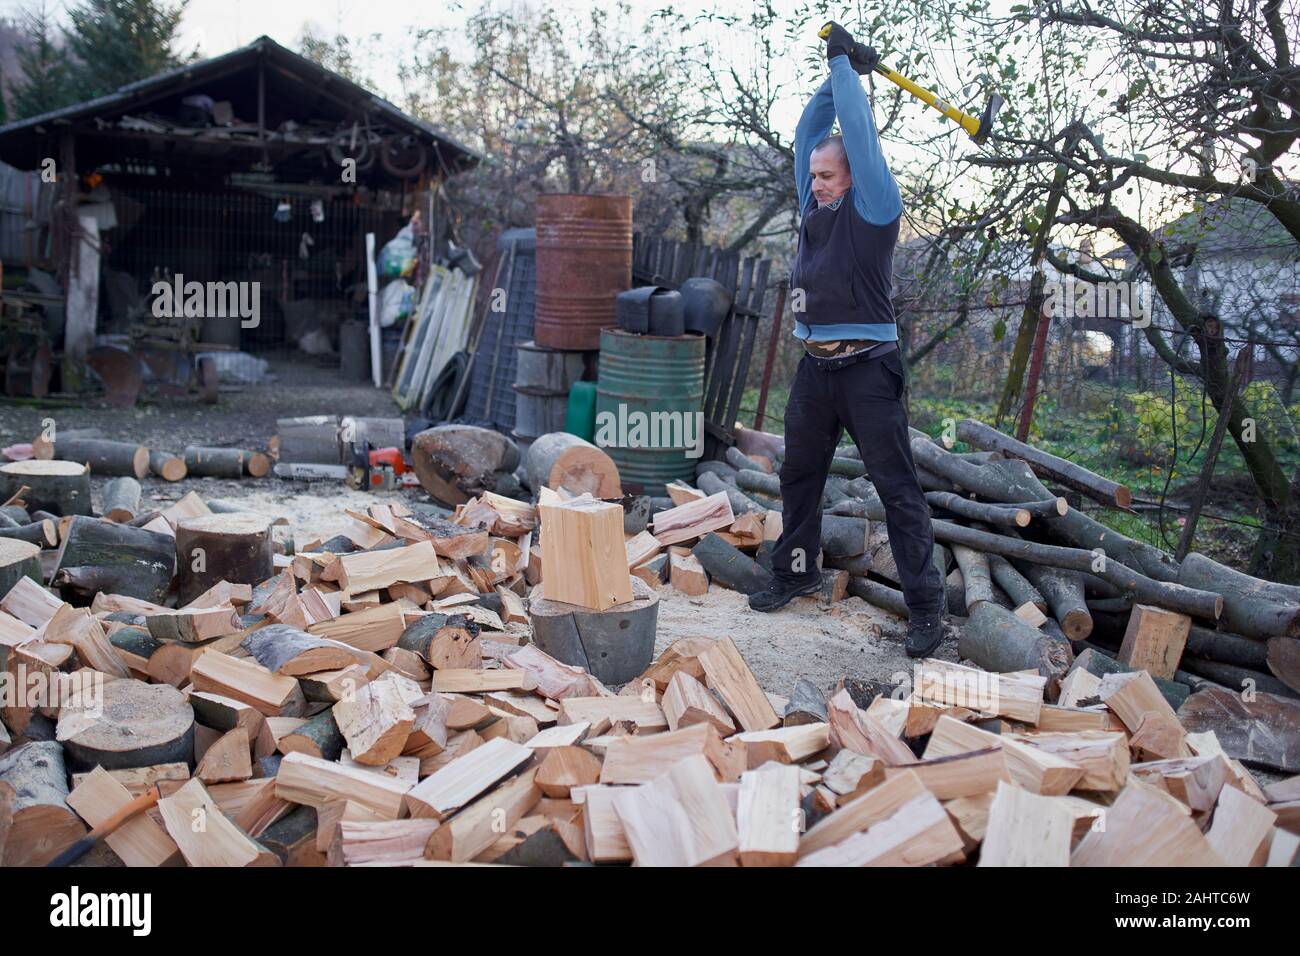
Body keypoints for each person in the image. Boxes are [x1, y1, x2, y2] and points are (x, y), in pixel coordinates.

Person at [747, 22, 946, 657]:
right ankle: (796, 571)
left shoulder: (874, 209)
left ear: (854, 176)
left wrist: (847, 73)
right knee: (799, 475)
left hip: (868, 371)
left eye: (829, 175)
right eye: (813, 176)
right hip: (816, 369)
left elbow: (856, 138)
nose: (817, 182)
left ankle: (925, 612)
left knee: (897, 490)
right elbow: (814, 129)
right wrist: (839, 73)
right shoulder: (814, 207)